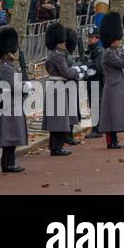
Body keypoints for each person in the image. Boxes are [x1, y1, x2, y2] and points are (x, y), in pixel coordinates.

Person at [43, 22, 86, 156]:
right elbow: (66, 72)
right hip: (60, 88)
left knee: (56, 120)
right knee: (60, 120)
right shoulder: (59, 55)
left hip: (54, 86)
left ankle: (54, 147)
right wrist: (78, 73)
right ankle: (57, 148)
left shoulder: (52, 54)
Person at [0, 26, 27, 173]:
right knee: (10, 136)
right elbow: (14, 86)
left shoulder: (8, 65)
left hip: (12, 104)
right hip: (10, 105)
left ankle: (9, 163)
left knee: (12, 136)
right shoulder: (7, 67)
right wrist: (26, 87)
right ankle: (8, 164)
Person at [97, 12, 124, 149]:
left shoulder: (113, 51)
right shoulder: (109, 54)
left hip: (117, 86)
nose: (119, 42)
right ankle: (110, 141)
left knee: (116, 114)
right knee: (111, 114)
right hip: (113, 86)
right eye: (117, 39)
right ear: (112, 39)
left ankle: (114, 140)